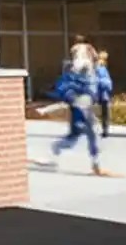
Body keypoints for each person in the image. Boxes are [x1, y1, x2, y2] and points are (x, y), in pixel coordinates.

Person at [34, 42, 114, 176]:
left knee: (79, 135)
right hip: (80, 106)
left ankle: (54, 154)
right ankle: (93, 163)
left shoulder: (94, 69)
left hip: (83, 105)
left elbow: (101, 83)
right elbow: (65, 88)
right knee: (90, 132)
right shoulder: (76, 71)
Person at [96, 50, 114, 137]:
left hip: (102, 93)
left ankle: (105, 129)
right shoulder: (101, 69)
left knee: (104, 112)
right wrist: (109, 85)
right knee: (105, 112)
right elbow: (103, 81)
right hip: (103, 93)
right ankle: (105, 129)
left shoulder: (100, 68)